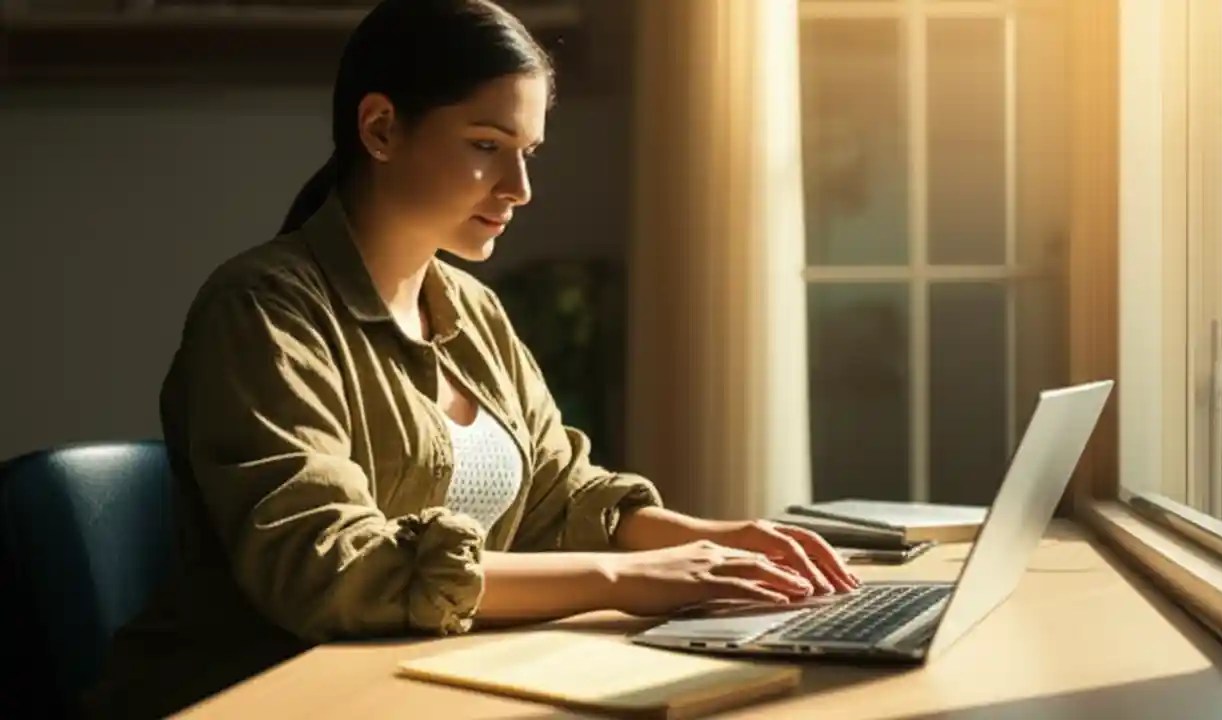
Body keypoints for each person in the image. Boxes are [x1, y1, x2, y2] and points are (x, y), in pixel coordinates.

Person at [87, 1, 857, 716]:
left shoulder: (473, 309)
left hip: (433, 682)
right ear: (381, 128)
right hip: (277, 694)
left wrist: (715, 538)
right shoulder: (263, 308)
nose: (519, 187)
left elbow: (560, 496)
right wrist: (628, 578)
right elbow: (330, 567)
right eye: (487, 147)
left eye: (527, 152)